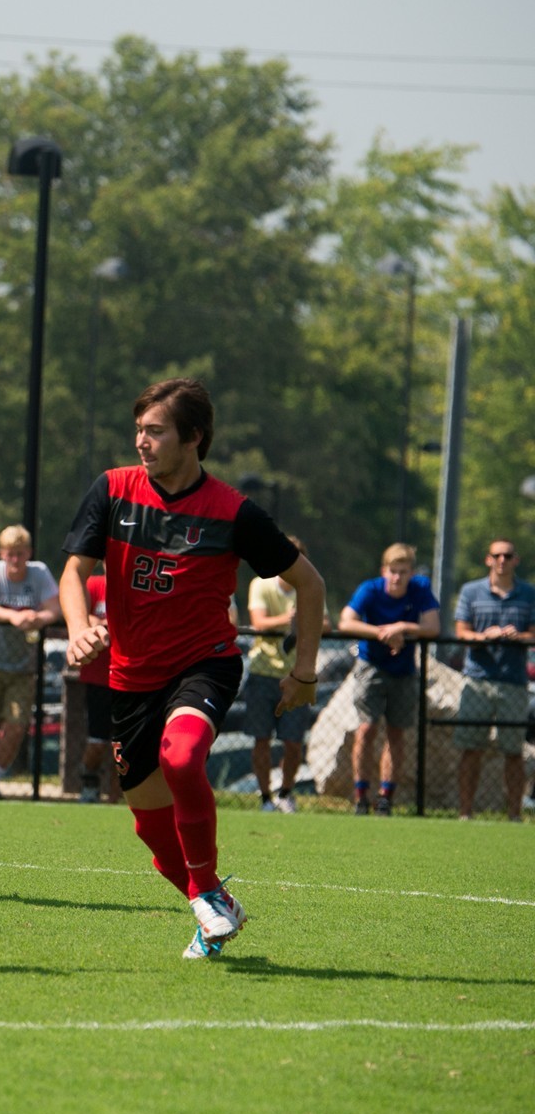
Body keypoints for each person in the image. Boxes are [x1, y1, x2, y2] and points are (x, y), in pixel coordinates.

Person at [58, 378, 326, 961]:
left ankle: (206, 891)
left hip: (204, 665)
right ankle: (216, 908)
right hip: (129, 677)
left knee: (182, 758)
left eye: (155, 431)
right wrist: (79, 629)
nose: (142, 442)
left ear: (193, 438)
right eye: (139, 430)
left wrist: (304, 674)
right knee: (150, 830)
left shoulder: (234, 511)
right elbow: (74, 573)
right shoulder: (112, 489)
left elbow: (310, 584)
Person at [339, 543, 441, 816]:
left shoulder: (420, 589)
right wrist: (382, 633)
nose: (397, 577)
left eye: (403, 572)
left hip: (404, 671)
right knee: (366, 730)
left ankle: (386, 797)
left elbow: (432, 628)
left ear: (411, 573)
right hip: (371, 666)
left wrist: (403, 627)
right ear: (384, 571)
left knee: (396, 734)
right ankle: (361, 795)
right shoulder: (370, 589)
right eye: (393, 571)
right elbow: (346, 622)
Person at [0, 525, 61, 799]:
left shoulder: (40, 572)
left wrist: (37, 618)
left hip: (23, 665)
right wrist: (13, 617)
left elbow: (54, 608)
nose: (15, 561)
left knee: (18, 724)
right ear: (2, 554)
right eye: (10, 555)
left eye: (20, 554)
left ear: (28, 553)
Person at [452, 539, 534, 821]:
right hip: (477, 680)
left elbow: (533, 634)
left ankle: (514, 815)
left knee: (513, 751)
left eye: (507, 555)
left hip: (513, 681)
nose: (502, 560)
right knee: (470, 748)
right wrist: (483, 637)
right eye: (497, 555)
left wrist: (518, 636)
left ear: (515, 560)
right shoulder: (471, 591)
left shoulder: (528, 593)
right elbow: (462, 631)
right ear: (488, 559)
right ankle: (465, 813)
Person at [246, 536, 324, 813]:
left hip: (297, 678)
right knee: (261, 740)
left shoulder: (310, 584)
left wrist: (304, 617)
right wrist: (291, 619)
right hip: (262, 675)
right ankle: (265, 798)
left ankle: (286, 793)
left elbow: (323, 622)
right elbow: (258, 622)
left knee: (293, 743)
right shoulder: (261, 584)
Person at [73, 569, 116, 804]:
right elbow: (79, 614)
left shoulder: (136, 583)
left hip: (131, 678)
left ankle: (119, 796)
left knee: (125, 746)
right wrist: (101, 623)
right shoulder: (94, 584)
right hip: (98, 678)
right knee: (97, 743)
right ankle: (89, 786)